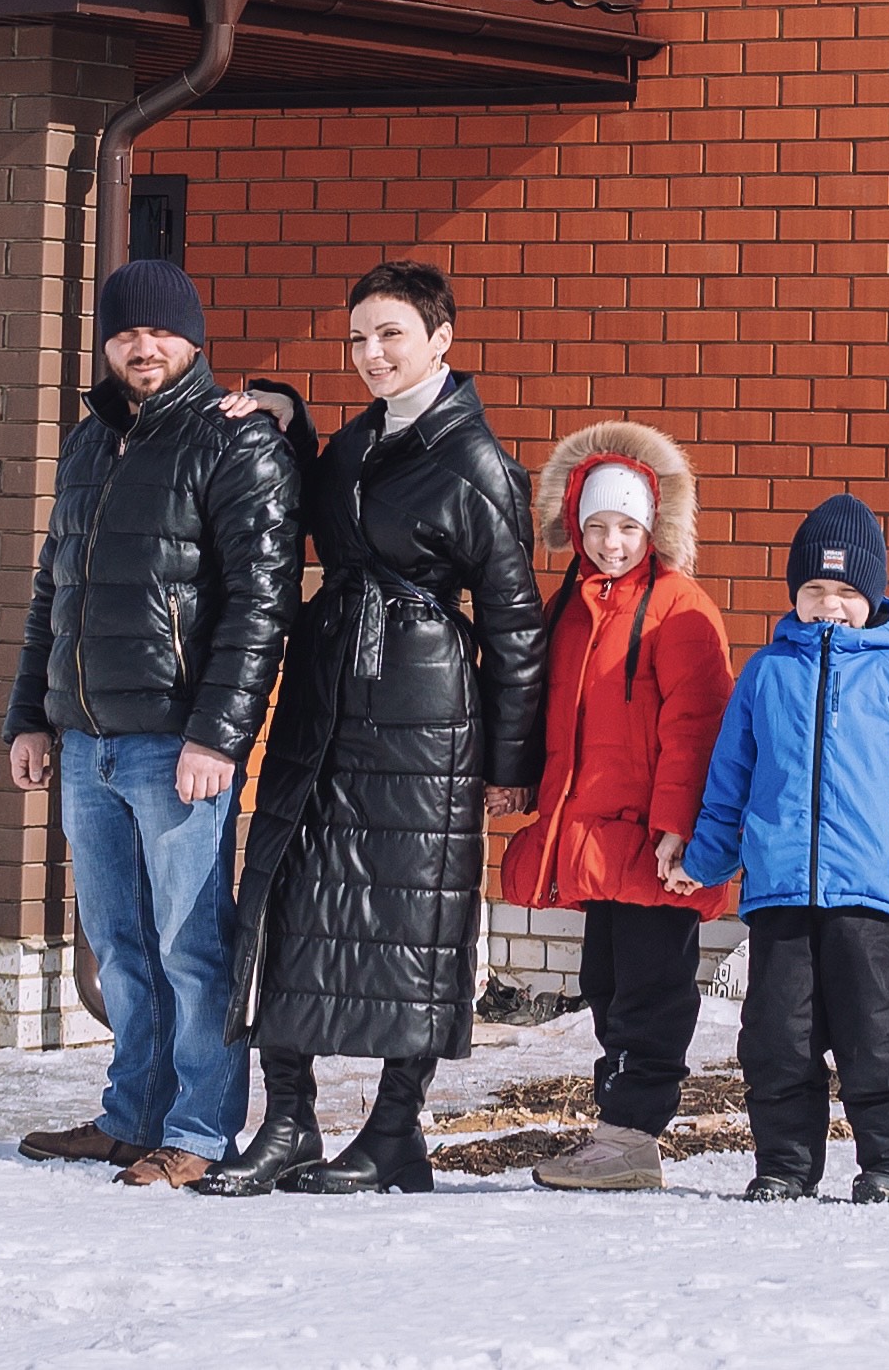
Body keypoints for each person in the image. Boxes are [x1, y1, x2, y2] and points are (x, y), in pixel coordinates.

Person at [202, 260, 548, 1196]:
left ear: (441, 339)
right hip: (328, 695)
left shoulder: (477, 463)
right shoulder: (356, 444)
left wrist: (511, 762)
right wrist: (287, 415)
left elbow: (517, 624)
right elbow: (328, 501)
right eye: (357, 337)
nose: (370, 353)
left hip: (426, 716)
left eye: (391, 333)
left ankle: (395, 1131)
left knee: (410, 920)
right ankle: (286, 1124)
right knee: (287, 892)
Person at [2, 258, 303, 1189]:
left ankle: (199, 1132)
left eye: (161, 331)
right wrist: (30, 716)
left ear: (192, 339)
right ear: (105, 344)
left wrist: (220, 735)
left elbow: (261, 604)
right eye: (127, 332)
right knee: (121, 945)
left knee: (190, 946)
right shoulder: (88, 444)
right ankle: (129, 1117)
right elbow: (55, 591)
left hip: (177, 746)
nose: (144, 345)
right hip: (85, 740)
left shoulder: (235, 442)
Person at [669, 491, 889, 1205]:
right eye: (814, 590)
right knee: (777, 1039)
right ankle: (784, 1164)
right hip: (779, 892)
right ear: (794, 595)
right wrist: (704, 861)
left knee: (875, 1035)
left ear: (871, 597)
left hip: (870, 896)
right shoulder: (765, 673)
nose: (829, 605)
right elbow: (729, 782)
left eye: (844, 592)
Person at [499, 417, 735, 1192]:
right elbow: (547, 710)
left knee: (650, 993)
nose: (610, 543)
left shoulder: (680, 606)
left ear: (652, 527)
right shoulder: (571, 605)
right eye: (595, 526)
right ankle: (616, 1131)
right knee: (604, 987)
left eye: (626, 527)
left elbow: (696, 729)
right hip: (596, 837)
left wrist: (678, 831)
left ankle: (632, 1135)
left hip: (654, 843)